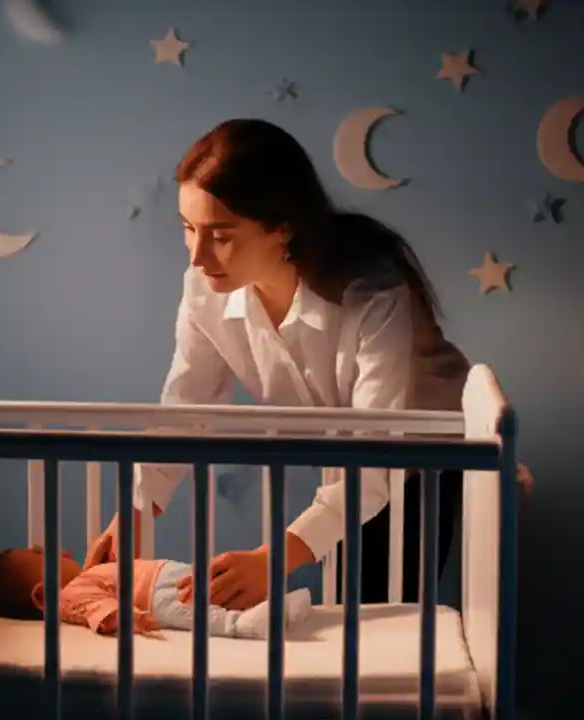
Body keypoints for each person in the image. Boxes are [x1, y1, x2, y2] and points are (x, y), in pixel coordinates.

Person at [85, 118, 470, 610]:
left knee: (380, 609)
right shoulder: (204, 291)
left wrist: (272, 560)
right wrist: (138, 506)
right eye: (188, 229)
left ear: (282, 226)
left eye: (221, 235)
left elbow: (379, 457)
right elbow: (188, 408)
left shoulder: (371, 294)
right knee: (346, 601)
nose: (198, 256)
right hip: (349, 458)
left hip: (421, 455)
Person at [0, 545, 312, 638]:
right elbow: (100, 611)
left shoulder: (86, 577)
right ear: (42, 596)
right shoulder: (70, 593)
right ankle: (243, 625)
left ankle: (267, 604)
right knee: (197, 611)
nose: (56, 550)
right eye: (41, 554)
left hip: (164, 576)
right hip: (156, 596)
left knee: (218, 587)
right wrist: (132, 618)